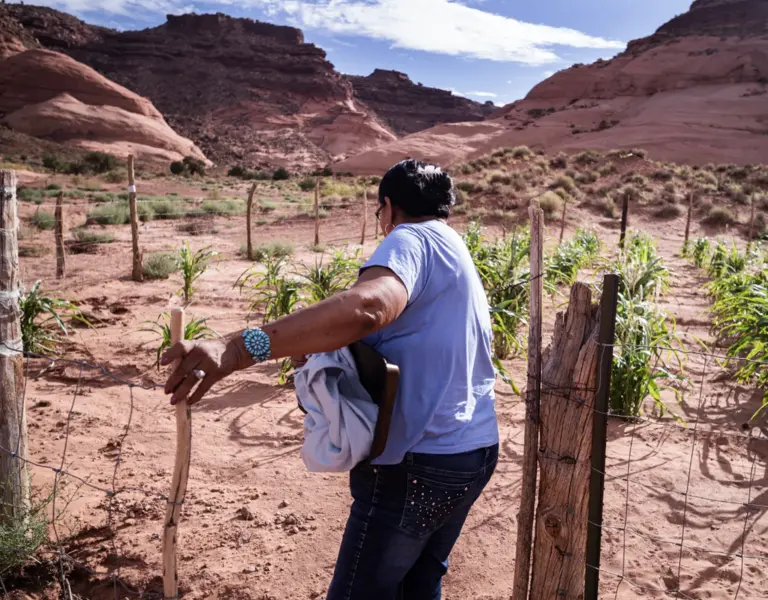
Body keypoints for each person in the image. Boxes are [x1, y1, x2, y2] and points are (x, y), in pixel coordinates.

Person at [162, 158, 499, 600]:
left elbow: (368, 308)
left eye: (380, 214)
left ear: (388, 208)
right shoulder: (452, 245)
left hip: (418, 462)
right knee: (417, 586)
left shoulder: (409, 239)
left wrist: (238, 348)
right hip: (471, 452)